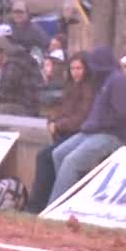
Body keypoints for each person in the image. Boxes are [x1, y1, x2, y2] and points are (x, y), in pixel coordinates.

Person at [47, 47, 126, 203]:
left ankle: (54, 205)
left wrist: (97, 124)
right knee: (58, 153)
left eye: (95, 66)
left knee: (71, 161)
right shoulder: (103, 81)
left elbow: (122, 115)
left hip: (111, 135)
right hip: (91, 132)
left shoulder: (118, 81)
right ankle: (70, 199)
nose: (92, 70)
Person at [30, 54, 98, 211]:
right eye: (73, 68)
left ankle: (37, 205)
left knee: (45, 157)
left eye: (79, 68)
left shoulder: (89, 89)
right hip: (65, 132)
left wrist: (58, 125)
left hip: (77, 134)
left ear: (86, 69)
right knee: (46, 157)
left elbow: (81, 117)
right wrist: (53, 121)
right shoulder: (70, 86)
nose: (76, 72)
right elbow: (62, 110)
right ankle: (39, 204)